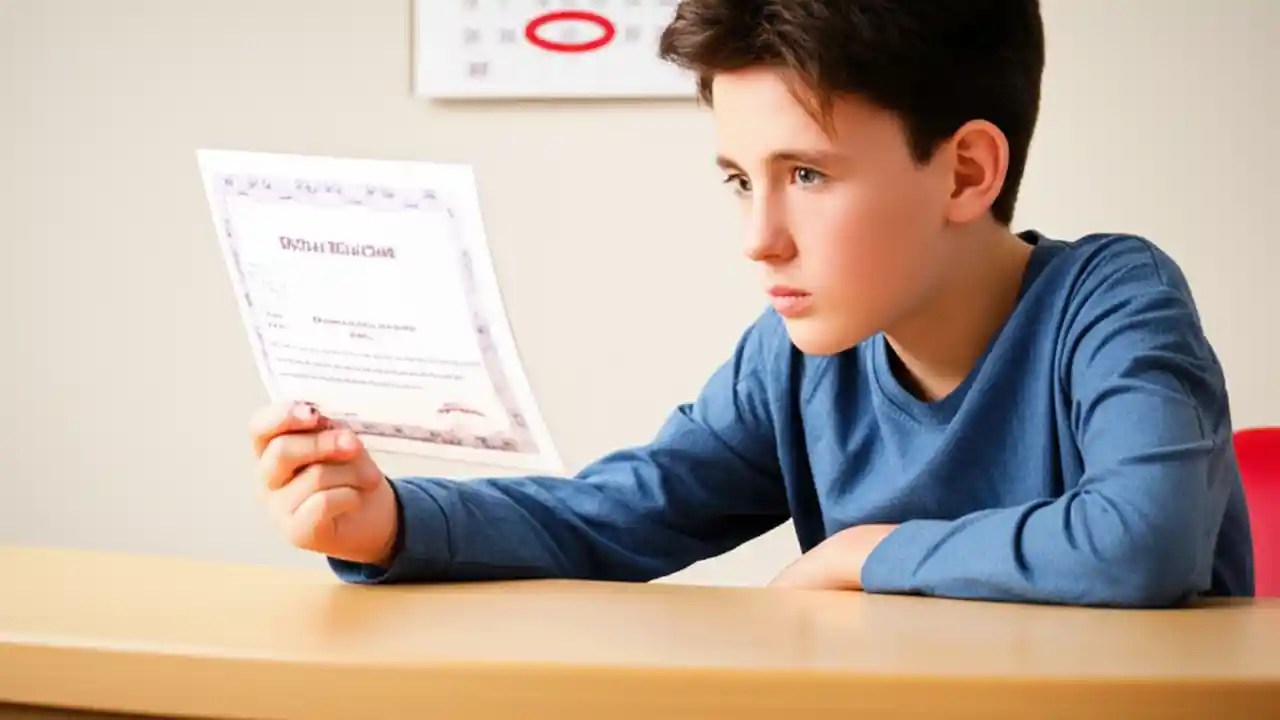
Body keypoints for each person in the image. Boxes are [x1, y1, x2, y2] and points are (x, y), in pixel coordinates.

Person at [249, 0, 1254, 607]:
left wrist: (863, 555)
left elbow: (1143, 541)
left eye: (806, 176)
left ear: (963, 173)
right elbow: (612, 516)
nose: (757, 238)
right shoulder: (795, 356)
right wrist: (390, 523)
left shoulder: (1112, 303)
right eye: (739, 178)